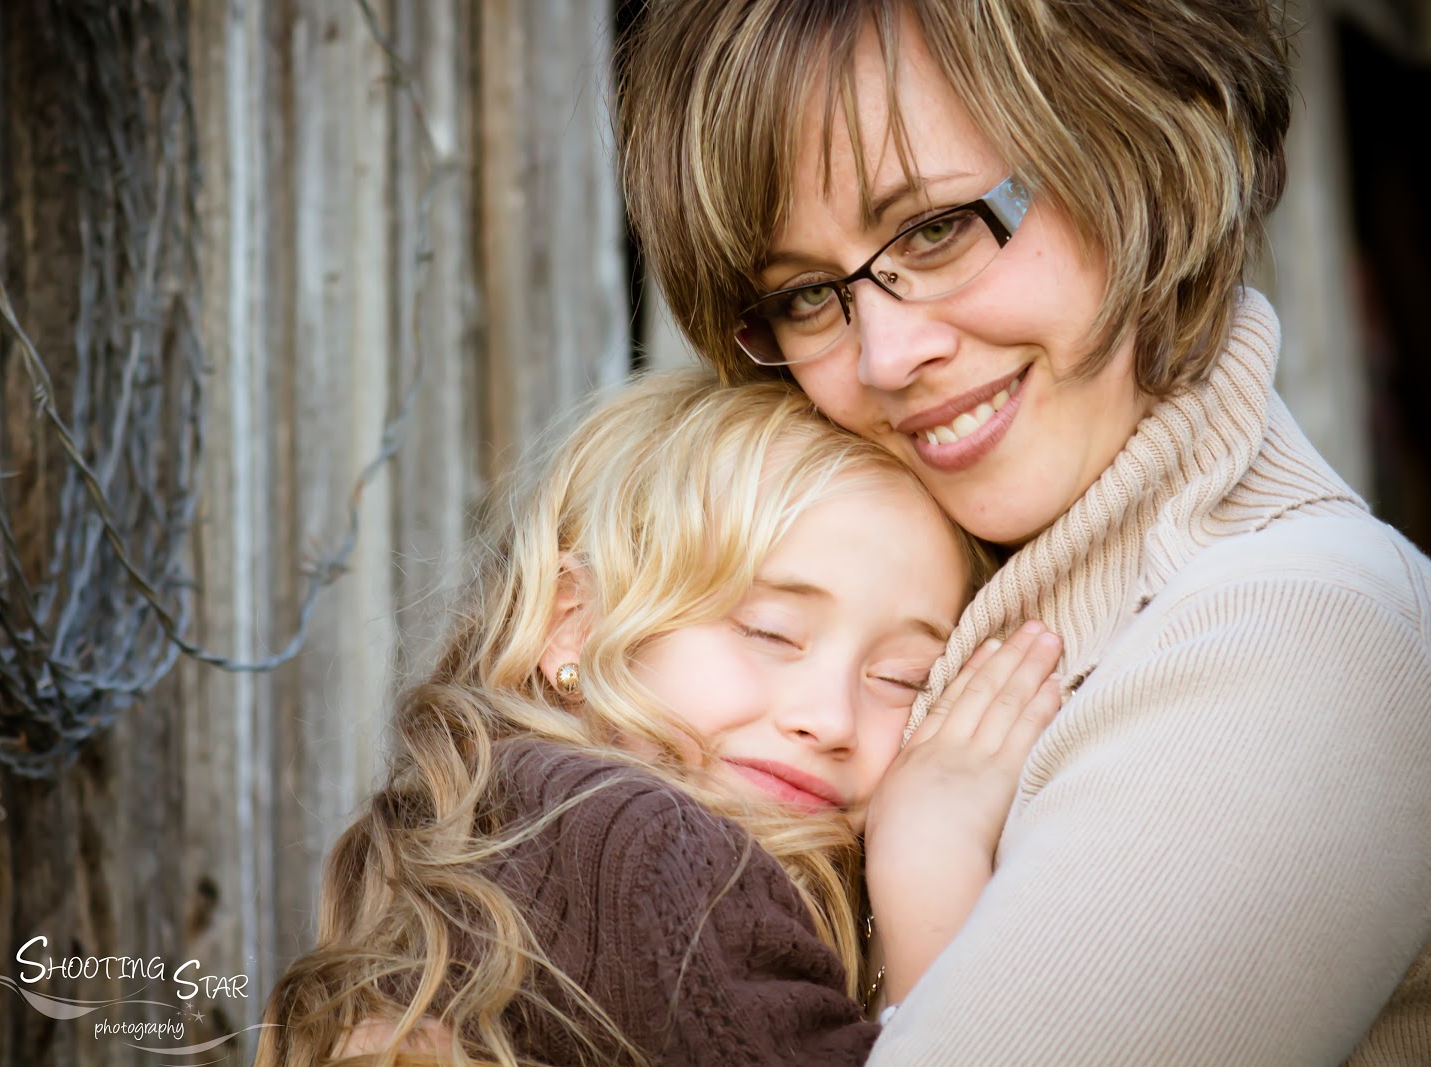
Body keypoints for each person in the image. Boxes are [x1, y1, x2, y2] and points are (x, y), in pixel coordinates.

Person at [616, 2, 1431, 1064]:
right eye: (809, 295)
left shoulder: (1296, 634)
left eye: (936, 227)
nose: (884, 355)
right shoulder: (877, 640)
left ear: (1135, 141)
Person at [253, 371, 1063, 1066]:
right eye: (769, 632)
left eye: (901, 677)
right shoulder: (653, 848)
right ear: (569, 622)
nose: (830, 717)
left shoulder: (506, 829)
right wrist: (933, 864)